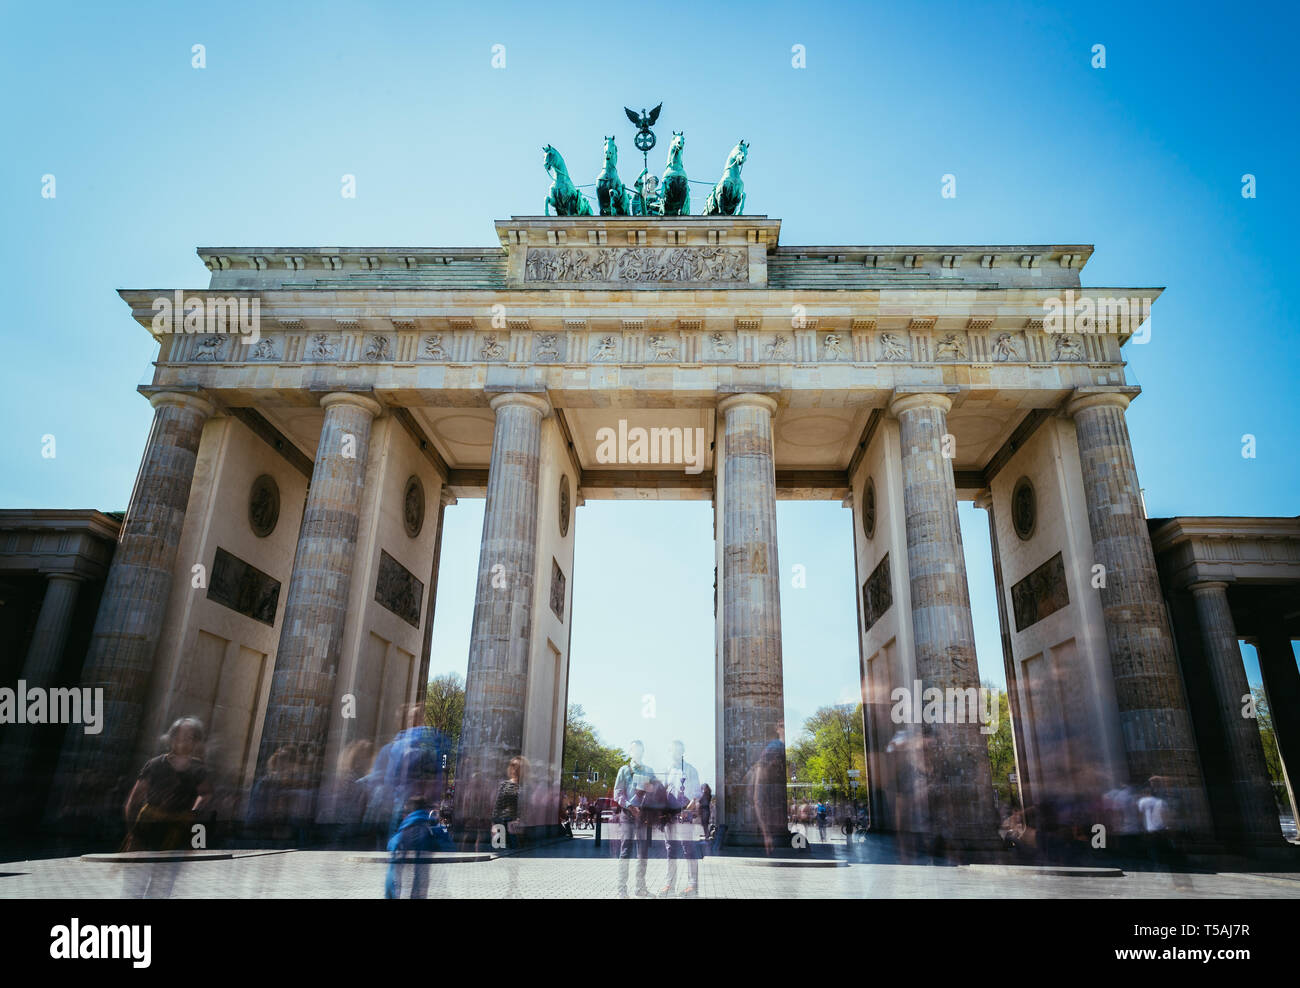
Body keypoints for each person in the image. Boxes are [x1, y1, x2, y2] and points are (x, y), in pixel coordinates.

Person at [122, 716, 212, 852]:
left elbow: (206, 794)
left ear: (195, 741)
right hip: (149, 827)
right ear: (173, 738)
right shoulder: (155, 764)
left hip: (178, 831)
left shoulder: (199, 769)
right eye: (182, 735)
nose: (185, 740)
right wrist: (133, 832)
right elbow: (134, 800)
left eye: (191, 737)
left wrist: (193, 812)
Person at [658, 740, 702, 897]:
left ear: (682, 751)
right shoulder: (666, 770)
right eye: (672, 750)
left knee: (688, 849)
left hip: (684, 814)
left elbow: (697, 795)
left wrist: (687, 810)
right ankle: (669, 884)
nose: (675, 753)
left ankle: (692, 885)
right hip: (669, 815)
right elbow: (662, 791)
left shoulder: (690, 770)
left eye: (678, 750)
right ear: (669, 752)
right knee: (670, 850)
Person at [613, 740, 656, 897]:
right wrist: (630, 806)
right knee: (625, 851)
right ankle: (621, 890)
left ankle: (640, 888)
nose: (637, 753)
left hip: (643, 816)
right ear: (630, 752)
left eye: (640, 750)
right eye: (634, 750)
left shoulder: (649, 771)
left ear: (643, 752)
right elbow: (617, 792)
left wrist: (651, 790)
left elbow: (657, 792)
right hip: (628, 815)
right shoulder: (624, 770)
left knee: (643, 853)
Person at [493, 756, 525, 849]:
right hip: (502, 820)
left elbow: (526, 806)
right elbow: (498, 803)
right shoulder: (504, 785)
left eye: (518, 767)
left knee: (514, 846)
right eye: (513, 766)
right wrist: (494, 821)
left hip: (514, 822)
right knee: (498, 847)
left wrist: (519, 818)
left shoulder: (526, 785)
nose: (515, 769)